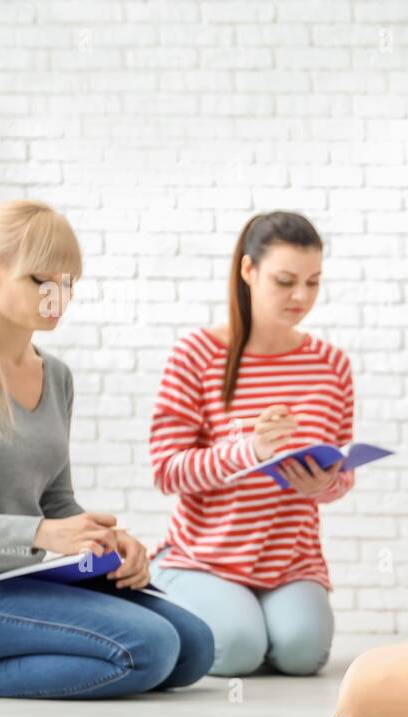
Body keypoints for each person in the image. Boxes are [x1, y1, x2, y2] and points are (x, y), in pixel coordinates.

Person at [0, 200, 213, 698]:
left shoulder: (56, 376)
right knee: (149, 650)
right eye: (42, 280)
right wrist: (40, 532)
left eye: (69, 283)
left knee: (194, 647)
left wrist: (107, 542)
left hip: (17, 579)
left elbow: (56, 502)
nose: (57, 297)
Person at [149, 211, 353, 677]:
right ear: (248, 271)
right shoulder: (196, 355)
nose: (301, 297)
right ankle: (171, 578)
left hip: (291, 561)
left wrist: (322, 484)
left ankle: (254, 615)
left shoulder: (331, 365)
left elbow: (342, 477)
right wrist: (250, 452)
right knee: (239, 650)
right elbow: (166, 470)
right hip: (206, 558)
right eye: (285, 281)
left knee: (302, 655)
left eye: (313, 282)